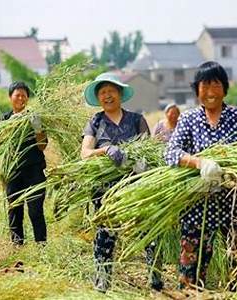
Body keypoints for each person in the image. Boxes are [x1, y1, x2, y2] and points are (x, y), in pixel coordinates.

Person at [164, 61, 237, 290]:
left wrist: (231, 172)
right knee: (190, 270)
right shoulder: (188, 119)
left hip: (232, 204)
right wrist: (199, 162)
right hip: (197, 205)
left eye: (215, 85)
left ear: (224, 88)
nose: (210, 91)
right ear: (197, 91)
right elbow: (171, 153)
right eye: (204, 86)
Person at [81, 73, 163, 293]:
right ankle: (102, 282)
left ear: (120, 94)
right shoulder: (95, 122)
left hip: (136, 187)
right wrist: (105, 149)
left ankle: (155, 281)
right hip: (105, 191)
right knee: (105, 235)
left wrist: (139, 163)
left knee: (149, 232)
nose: (107, 96)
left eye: (111, 91)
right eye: (103, 93)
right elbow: (85, 154)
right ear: (98, 98)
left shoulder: (137, 120)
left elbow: (151, 152)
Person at [0, 81, 48, 246]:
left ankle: (41, 246)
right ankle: (17, 245)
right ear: (10, 98)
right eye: (17, 95)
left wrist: (38, 129)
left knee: (35, 211)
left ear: (28, 99)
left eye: (24, 96)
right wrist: (10, 125)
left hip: (34, 171)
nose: (20, 98)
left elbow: (42, 146)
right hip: (13, 172)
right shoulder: (5, 119)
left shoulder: (34, 117)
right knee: (15, 209)